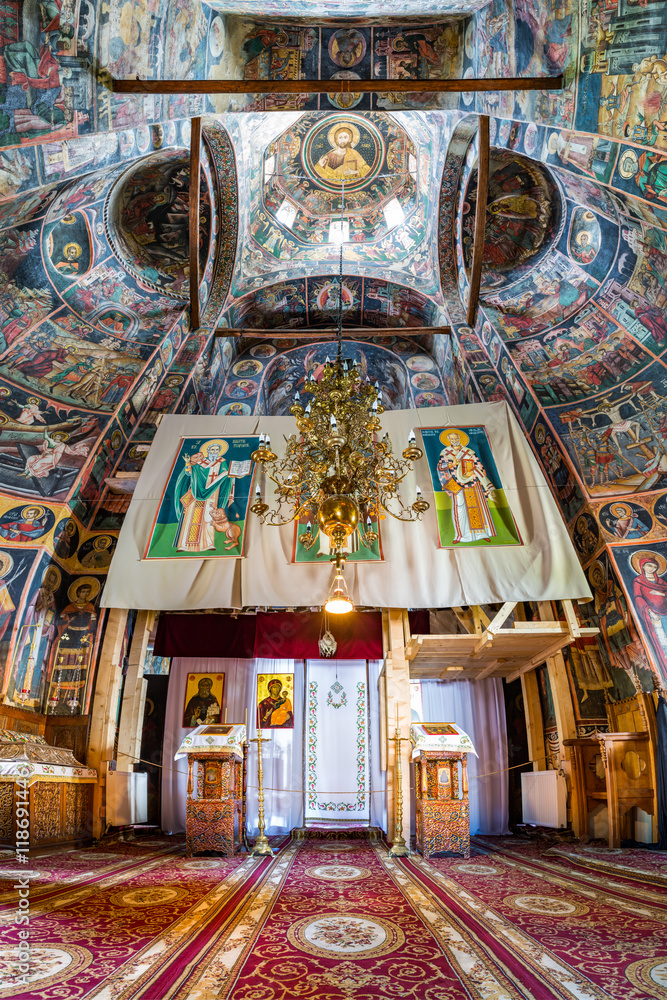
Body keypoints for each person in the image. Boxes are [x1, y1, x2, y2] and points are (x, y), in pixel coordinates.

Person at [174, 440, 239, 553]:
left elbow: (227, 476)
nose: (214, 452)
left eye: (217, 450)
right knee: (190, 518)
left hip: (212, 494)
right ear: (208, 451)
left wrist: (231, 475)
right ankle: (184, 545)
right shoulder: (199, 463)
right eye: (212, 450)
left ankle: (208, 544)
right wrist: (188, 463)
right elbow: (188, 473)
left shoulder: (221, 462)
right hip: (196, 494)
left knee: (208, 518)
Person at [437, 430, 496, 544]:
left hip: (472, 482)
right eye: (452, 439)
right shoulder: (446, 452)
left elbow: (478, 465)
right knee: (459, 507)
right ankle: (460, 535)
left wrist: (473, 472)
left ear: (459, 439)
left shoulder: (469, 452)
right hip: (455, 483)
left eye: (456, 438)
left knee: (476, 506)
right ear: (449, 440)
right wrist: (451, 464)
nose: (454, 440)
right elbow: (440, 467)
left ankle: (481, 534)